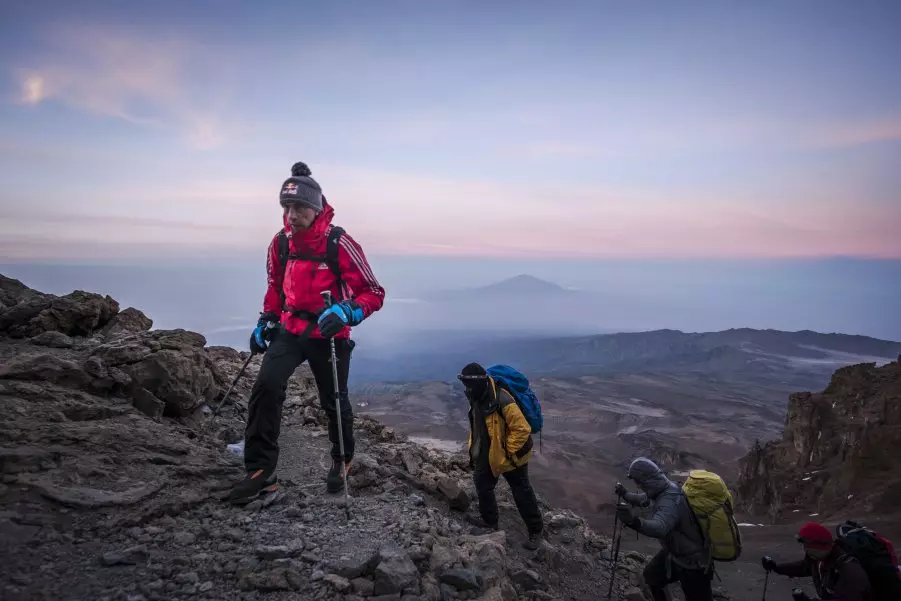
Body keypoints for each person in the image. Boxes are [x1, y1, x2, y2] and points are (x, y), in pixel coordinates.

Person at [227, 162, 385, 505]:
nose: (291, 214)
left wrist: (346, 311)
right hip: (290, 327)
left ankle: (342, 459)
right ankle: (260, 472)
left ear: (315, 209)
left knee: (334, 400)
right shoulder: (280, 243)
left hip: (330, 335)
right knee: (266, 387)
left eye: (299, 207)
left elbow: (373, 292)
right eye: (287, 207)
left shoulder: (339, 243)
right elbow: (275, 287)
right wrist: (266, 320)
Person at [458, 362, 544, 550]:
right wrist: (475, 452)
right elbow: (478, 427)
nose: (467, 389)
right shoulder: (475, 395)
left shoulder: (503, 399)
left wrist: (506, 451)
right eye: (465, 385)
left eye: (469, 385)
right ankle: (490, 523)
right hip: (488, 454)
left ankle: (536, 531)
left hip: (511, 457)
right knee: (482, 484)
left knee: (521, 491)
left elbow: (522, 429)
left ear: (479, 382)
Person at [615, 457, 713, 601]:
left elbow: (660, 528)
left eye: (638, 482)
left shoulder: (670, 500)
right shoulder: (663, 489)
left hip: (693, 562)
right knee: (652, 576)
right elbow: (643, 499)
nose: (638, 485)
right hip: (676, 554)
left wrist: (633, 521)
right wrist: (625, 494)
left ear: (647, 481)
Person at [761, 522, 874, 601]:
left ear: (820, 546)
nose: (805, 550)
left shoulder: (849, 570)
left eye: (807, 546)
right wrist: (776, 567)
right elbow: (802, 567)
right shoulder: (819, 560)